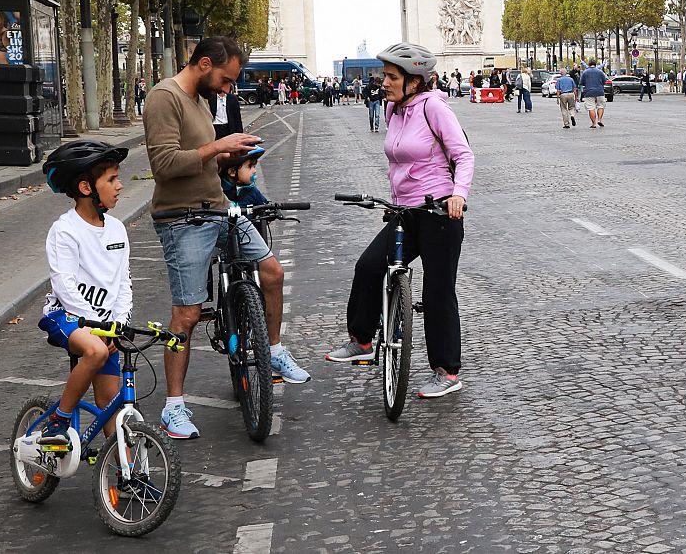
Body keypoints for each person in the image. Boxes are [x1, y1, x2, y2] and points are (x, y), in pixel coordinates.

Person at [143, 36, 308, 440]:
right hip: (183, 217)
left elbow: (202, 159)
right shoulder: (164, 98)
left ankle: (272, 351)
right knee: (187, 315)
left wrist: (230, 158)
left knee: (272, 272)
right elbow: (164, 165)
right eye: (226, 79)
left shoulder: (200, 100)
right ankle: (173, 407)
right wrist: (218, 145)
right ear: (204, 64)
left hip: (219, 208)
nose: (228, 88)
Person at [325, 43, 473, 399]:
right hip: (406, 212)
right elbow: (401, 164)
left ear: (414, 81)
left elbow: (463, 155)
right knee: (368, 267)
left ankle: (446, 371)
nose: (384, 82)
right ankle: (362, 341)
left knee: (437, 292)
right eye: (385, 76)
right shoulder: (394, 110)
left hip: (439, 212)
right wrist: (394, 203)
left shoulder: (434, 107)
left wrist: (459, 195)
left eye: (392, 77)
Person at [36, 141, 133, 441]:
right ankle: (59, 417)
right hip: (67, 316)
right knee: (95, 351)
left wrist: (118, 325)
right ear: (86, 187)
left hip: (105, 328)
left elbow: (123, 283)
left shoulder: (117, 229)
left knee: (111, 407)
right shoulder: (65, 230)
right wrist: (98, 328)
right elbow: (64, 286)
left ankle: (126, 468)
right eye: (111, 179)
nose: (119, 185)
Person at [579, 59, 607, 128]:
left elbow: (581, 83)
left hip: (589, 92)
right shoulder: (600, 72)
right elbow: (604, 81)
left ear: (589, 65)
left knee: (591, 108)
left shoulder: (585, 72)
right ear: (595, 64)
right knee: (601, 106)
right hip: (600, 91)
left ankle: (594, 123)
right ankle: (599, 120)